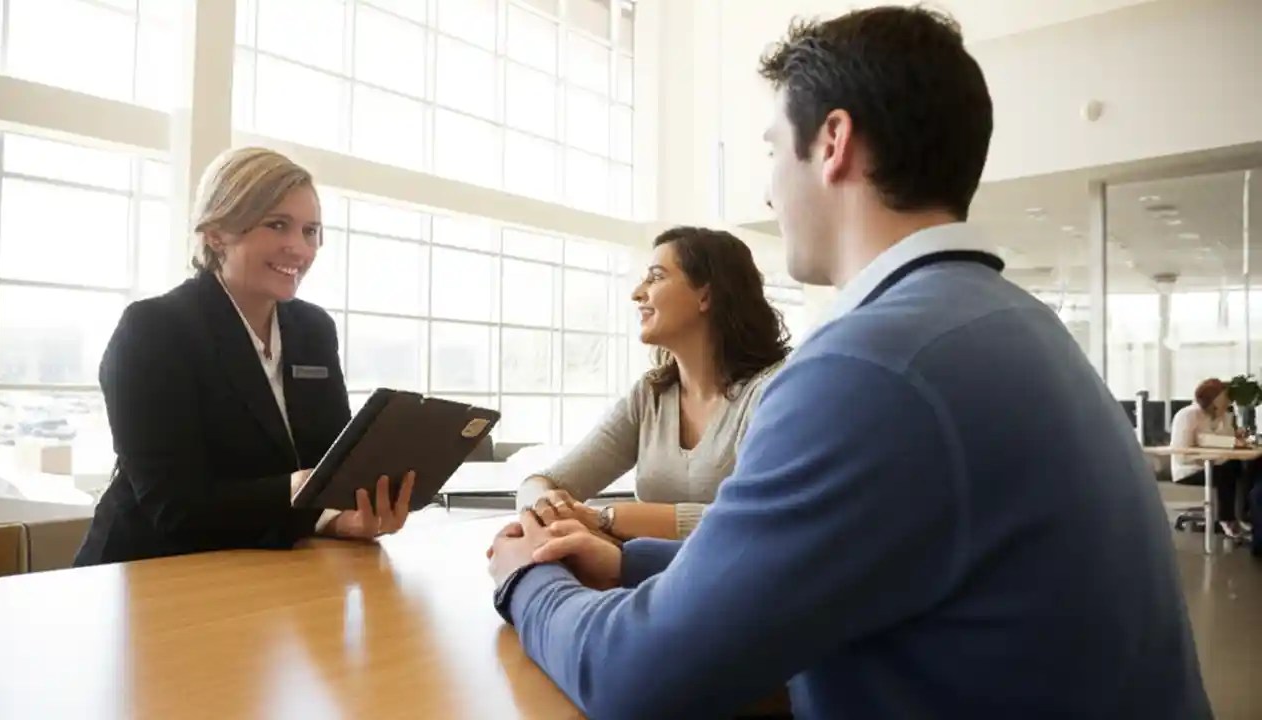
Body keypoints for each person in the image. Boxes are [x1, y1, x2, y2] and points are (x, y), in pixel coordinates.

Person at [487, 7, 1209, 719]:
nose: (769, 189)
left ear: (832, 141)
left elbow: (635, 678)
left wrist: (526, 583)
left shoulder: (868, 368)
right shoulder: (1016, 324)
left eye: (773, 150)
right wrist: (625, 562)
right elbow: (815, 561)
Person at [75, 148, 412, 566]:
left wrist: (342, 518)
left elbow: (329, 467)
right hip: (149, 572)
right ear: (217, 232)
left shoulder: (313, 330)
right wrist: (297, 488)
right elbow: (175, 508)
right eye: (277, 225)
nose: (299, 248)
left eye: (310, 231)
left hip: (265, 572)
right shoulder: (154, 330)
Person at [516, 226, 790, 540]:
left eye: (656, 277)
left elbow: (756, 517)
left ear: (706, 295)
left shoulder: (772, 392)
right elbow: (547, 481)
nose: (637, 293)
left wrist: (605, 518)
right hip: (651, 576)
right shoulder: (649, 396)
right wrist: (541, 502)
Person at [1170, 377, 1253, 539]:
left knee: (1245, 467)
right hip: (1190, 469)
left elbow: (1230, 444)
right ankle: (1227, 519)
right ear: (1213, 398)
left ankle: (1245, 515)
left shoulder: (1224, 416)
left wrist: (1232, 434)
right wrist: (1217, 448)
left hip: (1218, 465)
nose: (1228, 401)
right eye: (1224, 397)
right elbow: (1182, 454)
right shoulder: (1188, 415)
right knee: (1226, 471)